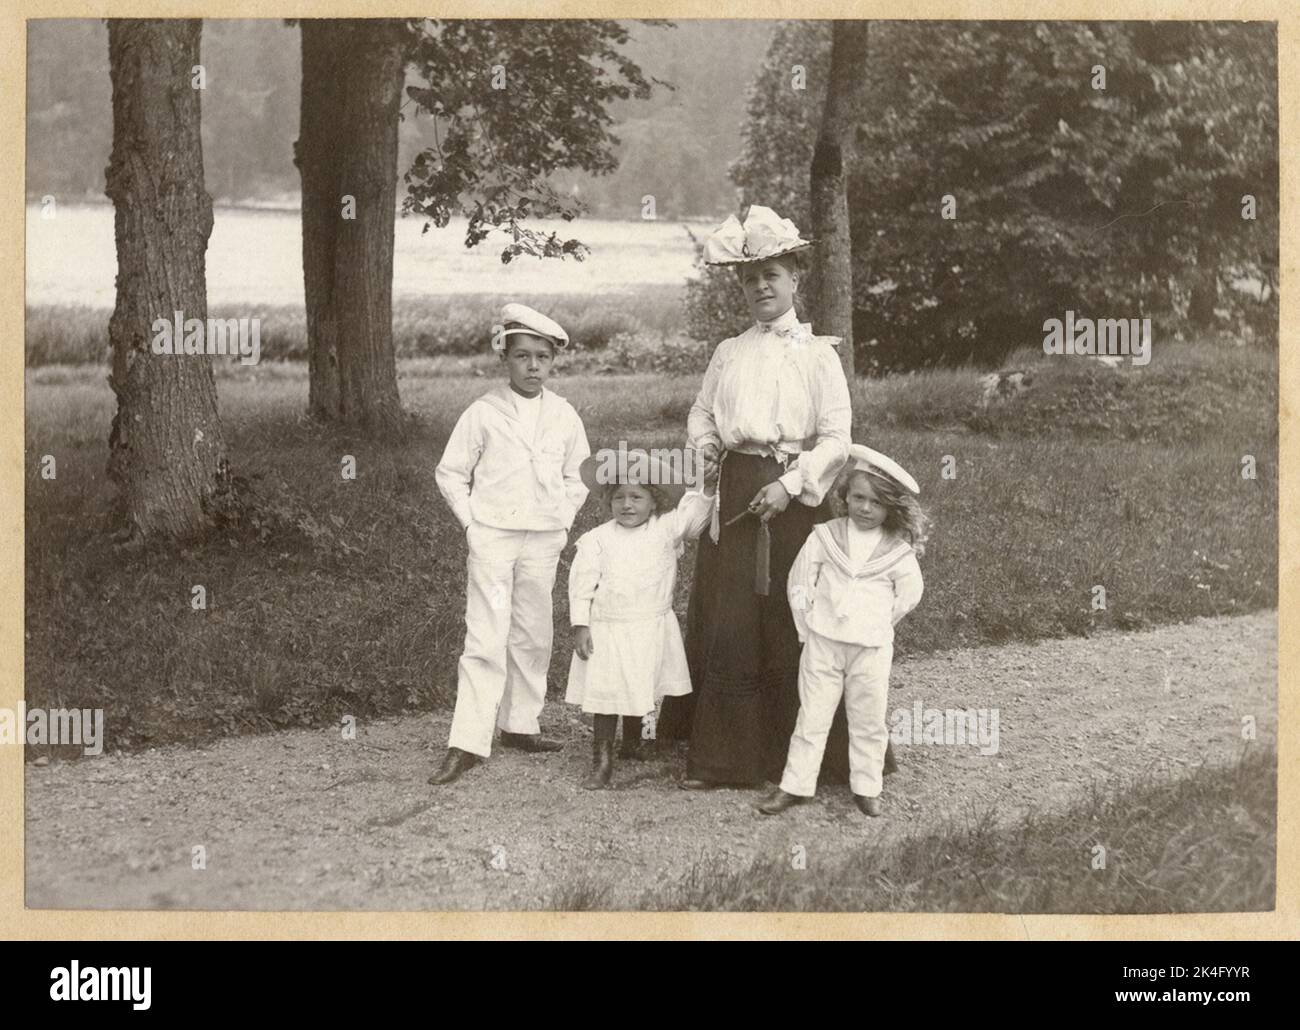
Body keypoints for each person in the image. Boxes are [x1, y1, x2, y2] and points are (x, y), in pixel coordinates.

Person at [658, 204, 882, 789]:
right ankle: (727, 758)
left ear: (794, 280)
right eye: (751, 278)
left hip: (794, 498)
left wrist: (788, 485)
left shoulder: (818, 355)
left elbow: (837, 438)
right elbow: (702, 411)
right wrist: (707, 445)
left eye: (772, 276)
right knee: (733, 616)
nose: (761, 287)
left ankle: (805, 756)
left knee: (793, 616)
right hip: (736, 490)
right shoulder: (729, 351)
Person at [428, 303, 590, 786]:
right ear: (505, 357)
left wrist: (561, 522)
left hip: (542, 539)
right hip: (494, 537)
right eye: (523, 356)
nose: (534, 366)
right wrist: (473, 526)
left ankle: (521, 723)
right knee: (485, 634)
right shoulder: (483, 413)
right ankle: (468, 741)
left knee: (534, 631)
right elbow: (450, 473)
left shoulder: (563, 414)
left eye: (543, 356)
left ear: (554, 361)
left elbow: (578, 475)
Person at [758, 446, 928, 817]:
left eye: (877, 503)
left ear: (891, 509)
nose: (865, 509)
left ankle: (867, 786)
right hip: (822, 641)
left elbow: (909, 596)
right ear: (845, 496)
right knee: (812, 715)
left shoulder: (897, 552)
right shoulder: (824, 536)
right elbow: (799, 582)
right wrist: (807, 626)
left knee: (868, 717)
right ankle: (796, 784)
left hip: (870, 648)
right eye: (859, 498)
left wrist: (881, 622)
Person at [565, 448, 718, 789]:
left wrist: (706, 487)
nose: (627, 505)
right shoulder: (597, 540)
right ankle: (602, 756)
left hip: (651, 624)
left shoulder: (665, 529)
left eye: (637, 497)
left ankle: (640, 741)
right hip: (610, 626)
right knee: (607, 692)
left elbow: (694, 515)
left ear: (655, 501)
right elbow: (581, 585)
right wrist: (581, 624)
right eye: (619, 497)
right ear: (608, 502)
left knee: (647, 688)